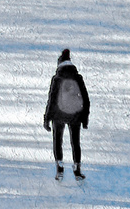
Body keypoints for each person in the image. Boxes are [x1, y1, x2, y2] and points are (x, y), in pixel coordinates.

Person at [44, 49, 90, 180]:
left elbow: (52, 99)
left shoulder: (57, 78)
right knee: (75, 142)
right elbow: (86, 98)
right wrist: (85, 118)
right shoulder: (78, 77)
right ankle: (77, 170)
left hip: (59, 114)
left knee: (57, 140)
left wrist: (47, 118)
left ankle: (59, 168)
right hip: (75, 114)